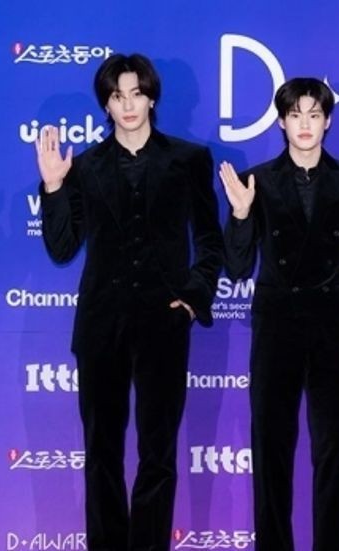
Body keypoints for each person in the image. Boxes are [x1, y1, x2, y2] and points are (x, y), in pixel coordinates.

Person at [36, 52, 223, 551]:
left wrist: (192, 299)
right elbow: (61, 247)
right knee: (101, 452)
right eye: (118, 97)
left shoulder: (189, 159)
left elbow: (210, 242)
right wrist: (54, 186)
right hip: (101, 326)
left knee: (158, 454)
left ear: (152, 97)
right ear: (106, 104)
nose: (128, 105)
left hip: (164, 323)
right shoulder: (85, 166)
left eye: (136, 94)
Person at [219, 77, 339, 551]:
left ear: (328, 121)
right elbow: (237, 266)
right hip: (276, 326)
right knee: (271, 450)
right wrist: (242, 215)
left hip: (333, 327)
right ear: (282, 122)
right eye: (295, 115)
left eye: (314, 115)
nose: (305, 124)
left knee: (333, 453)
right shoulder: (258, 180)